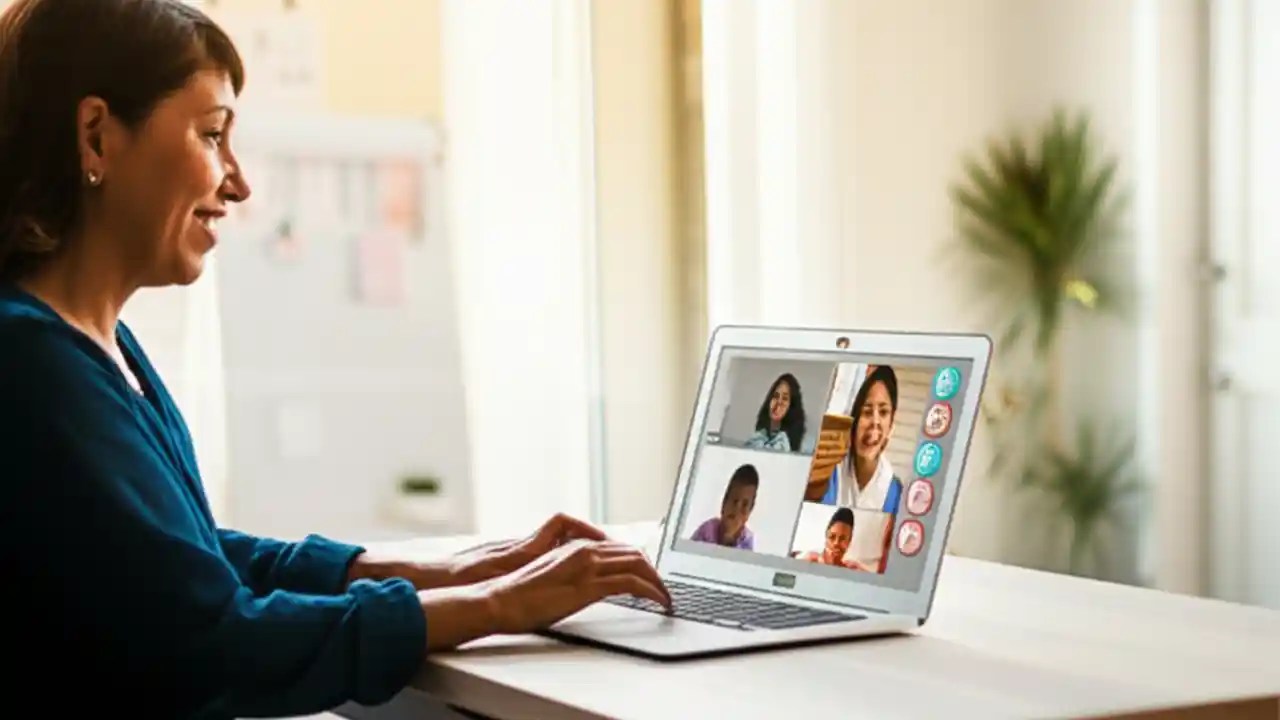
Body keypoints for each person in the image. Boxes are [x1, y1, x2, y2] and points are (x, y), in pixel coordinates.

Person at [0, 2, 670, 718]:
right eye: (212, 135)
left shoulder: (95, 346)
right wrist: (501, 603)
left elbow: (184, 565)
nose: (237, 182)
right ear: (96, 136)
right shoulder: (31, 363)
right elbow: (208, 641)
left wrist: (446, 571)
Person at [807, 365, 904, 570]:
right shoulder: (827, 471)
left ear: (891, 426)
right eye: (867, 411)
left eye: (884, 412)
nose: (875, 422)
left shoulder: (897, 494)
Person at [689, 463, 759, 550]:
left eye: (744, 505)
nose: (737, 509)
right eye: (734, 501)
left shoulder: (747, 541)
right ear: (723, 505)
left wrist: (729, 539)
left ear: (749, 512)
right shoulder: (707, 530)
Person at [744, 372, 806, 452]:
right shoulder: (757, 438)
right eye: (776, 396)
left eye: (784, 398)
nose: (778, 402)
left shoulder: (785, 445)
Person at [793, 508, 869, 570]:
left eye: (842, 539)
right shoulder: (809, 560)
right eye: (832, 537)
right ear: (826, 535)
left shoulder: (852, 569)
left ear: (849, 541)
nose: (836, 543)